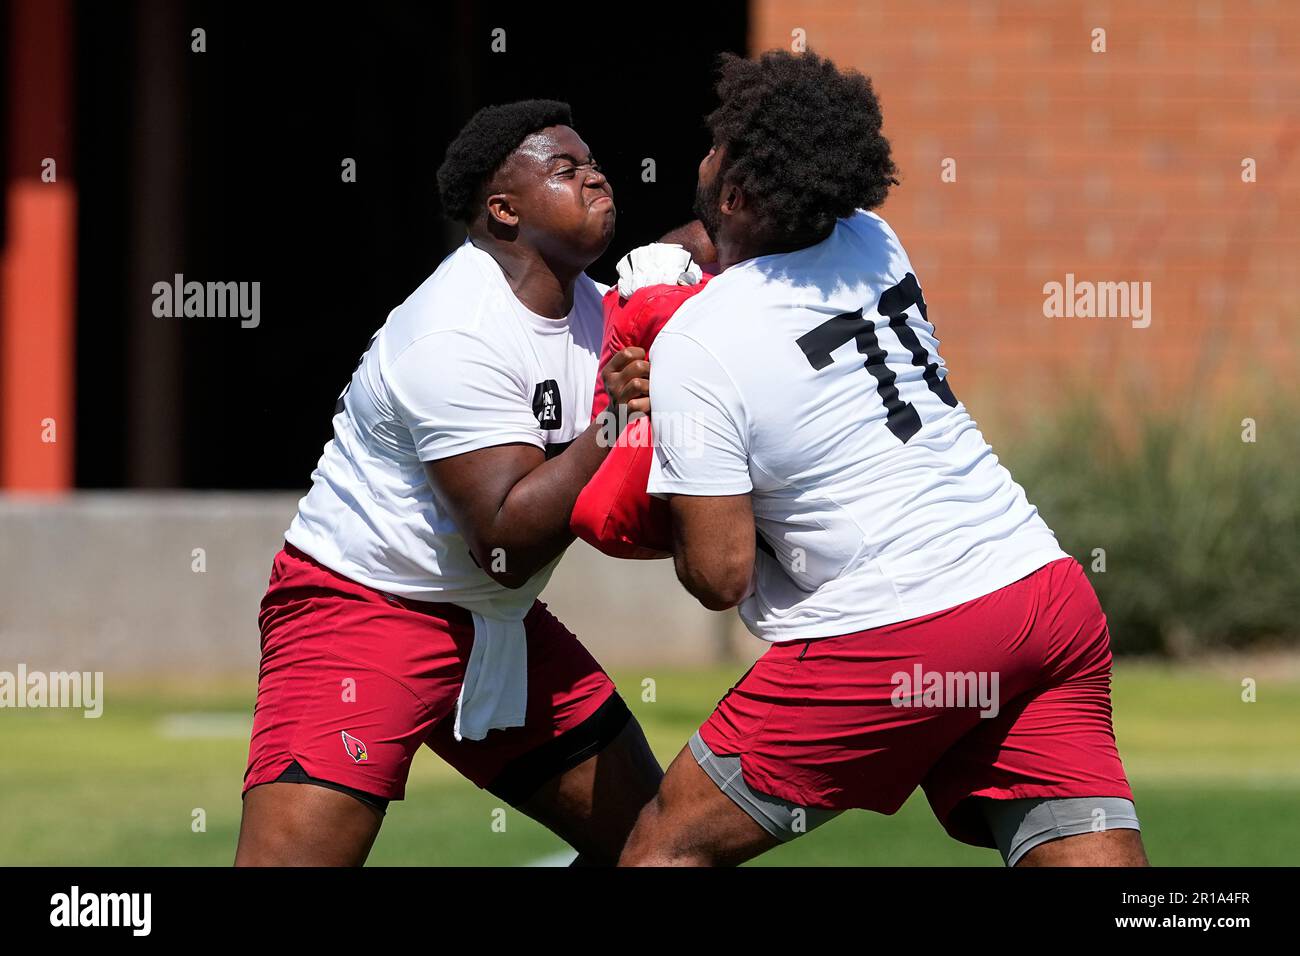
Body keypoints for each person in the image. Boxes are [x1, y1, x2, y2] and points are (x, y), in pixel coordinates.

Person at [612, 51, 1148, 867]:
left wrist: (652, 461)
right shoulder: (874, 239)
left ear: (734, 192)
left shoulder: (695, 342)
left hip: (901, 626)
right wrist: (686, 261)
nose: (704, 153)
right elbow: (759, 269)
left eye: (716, 144)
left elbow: (717, 577)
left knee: (664, 851)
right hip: (1040, 596)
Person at [235, 99, 663, 866]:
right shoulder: (453, 330)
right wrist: (614, 423)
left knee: (664, 850)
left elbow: (706, 249)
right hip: (363, 613)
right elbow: (505, 541)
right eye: (564, 169)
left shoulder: (601, 309)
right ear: (504, 210)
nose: (593, 174)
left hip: (496, 623)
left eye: (592, 160)